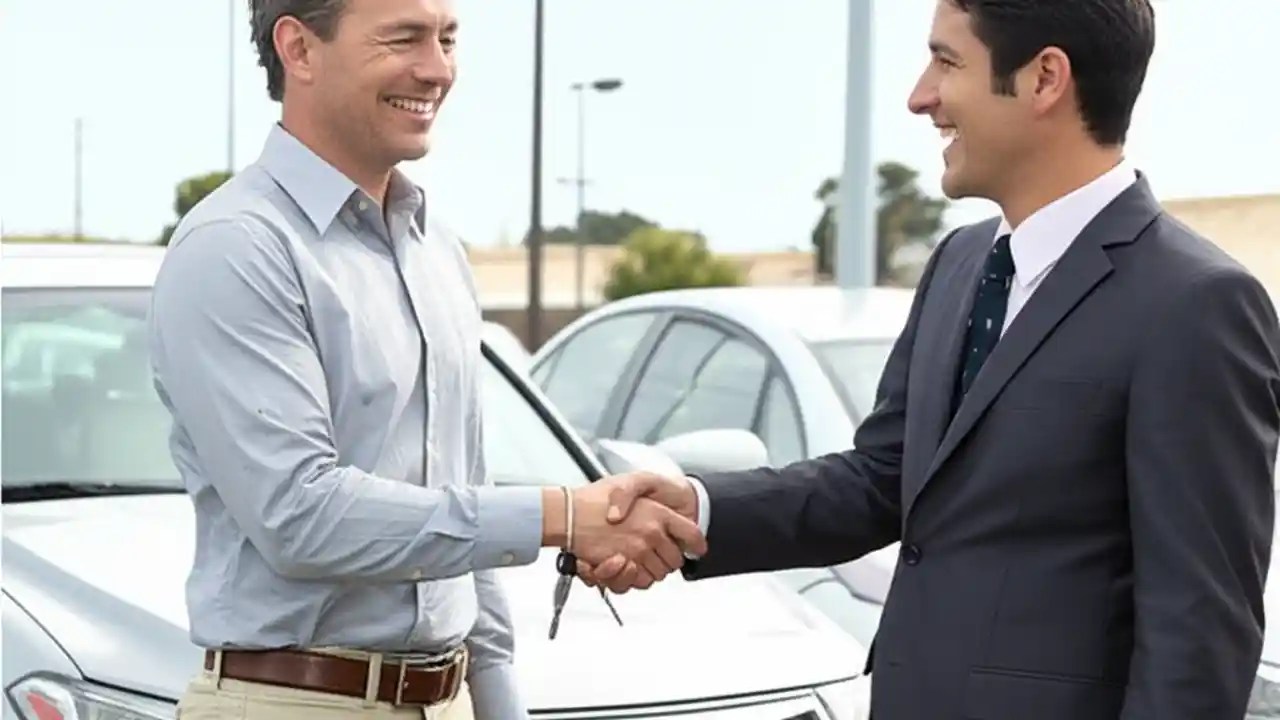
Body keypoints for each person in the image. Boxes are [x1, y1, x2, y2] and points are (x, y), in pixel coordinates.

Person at [584, 0, 1280, 718]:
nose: (920, 96)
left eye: (947, 61)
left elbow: (1199, 635)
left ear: (1045, 78)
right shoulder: (961, 261)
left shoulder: (1197, 305)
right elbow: (884, 479)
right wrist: (698, 508)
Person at [147, 1, 704, 719]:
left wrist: (499, 701)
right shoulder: (236, 246)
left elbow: (463, 500)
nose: (437, 69)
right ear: (299, 48)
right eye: (403, 38)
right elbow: (299, 514)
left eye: (447, 38)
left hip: (445, 701)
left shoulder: (436, 247)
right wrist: (562, 515)